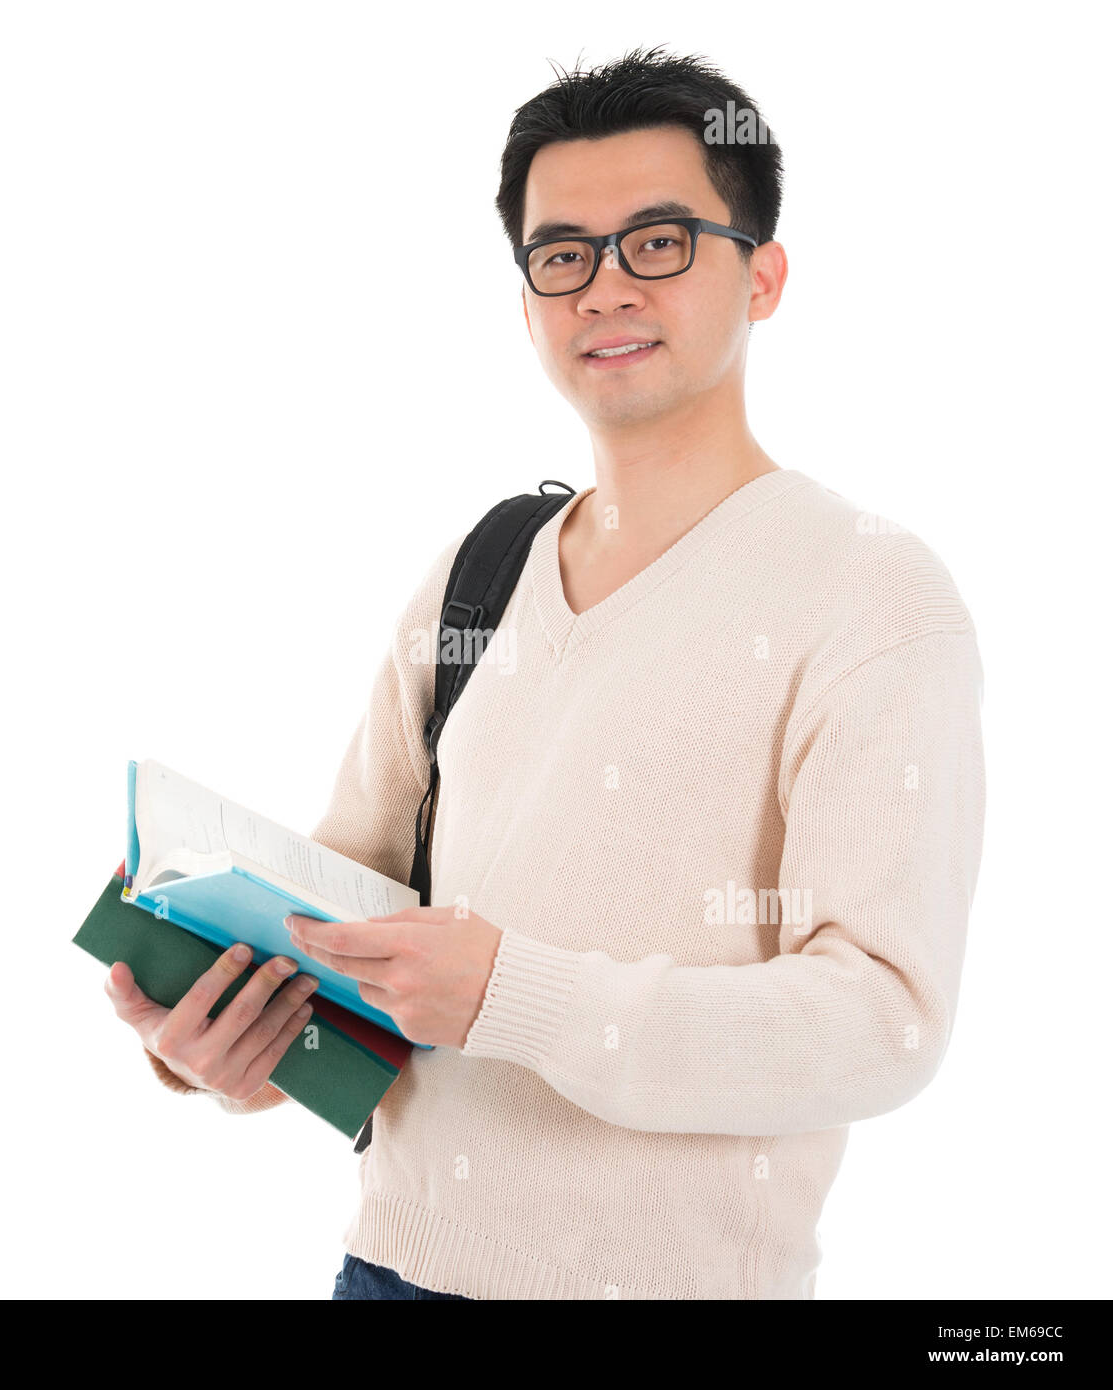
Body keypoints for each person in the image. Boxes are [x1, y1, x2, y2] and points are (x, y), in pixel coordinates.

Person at [105, 45, 986, 1301]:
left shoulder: (870, 592)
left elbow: (880, 1021)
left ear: (765, 274)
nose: (604, 287)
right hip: (387, 1269)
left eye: (661, 241)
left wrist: (517, 993)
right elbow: (343, 915)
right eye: (561, 253)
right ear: (526, 296)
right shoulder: (478, 569)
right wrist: (233, 1038)